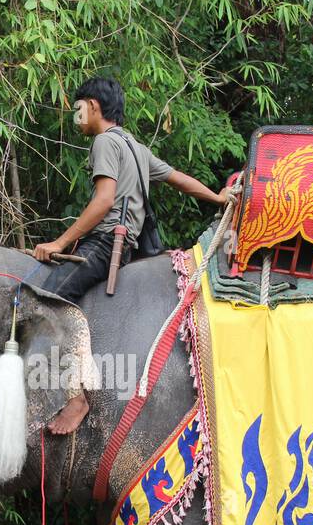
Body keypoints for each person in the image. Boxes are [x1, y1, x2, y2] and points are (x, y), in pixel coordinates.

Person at [34, 76, 230, 435]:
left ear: (93, 106)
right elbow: (180, 179)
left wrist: (60, 243)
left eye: (79, 109)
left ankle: (76, 396)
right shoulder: (135, 147)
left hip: (105, 243)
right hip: (124, 247)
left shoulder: (105, 142)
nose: (76, 116)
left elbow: (104, 200)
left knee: (47, 301)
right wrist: (217, 198)